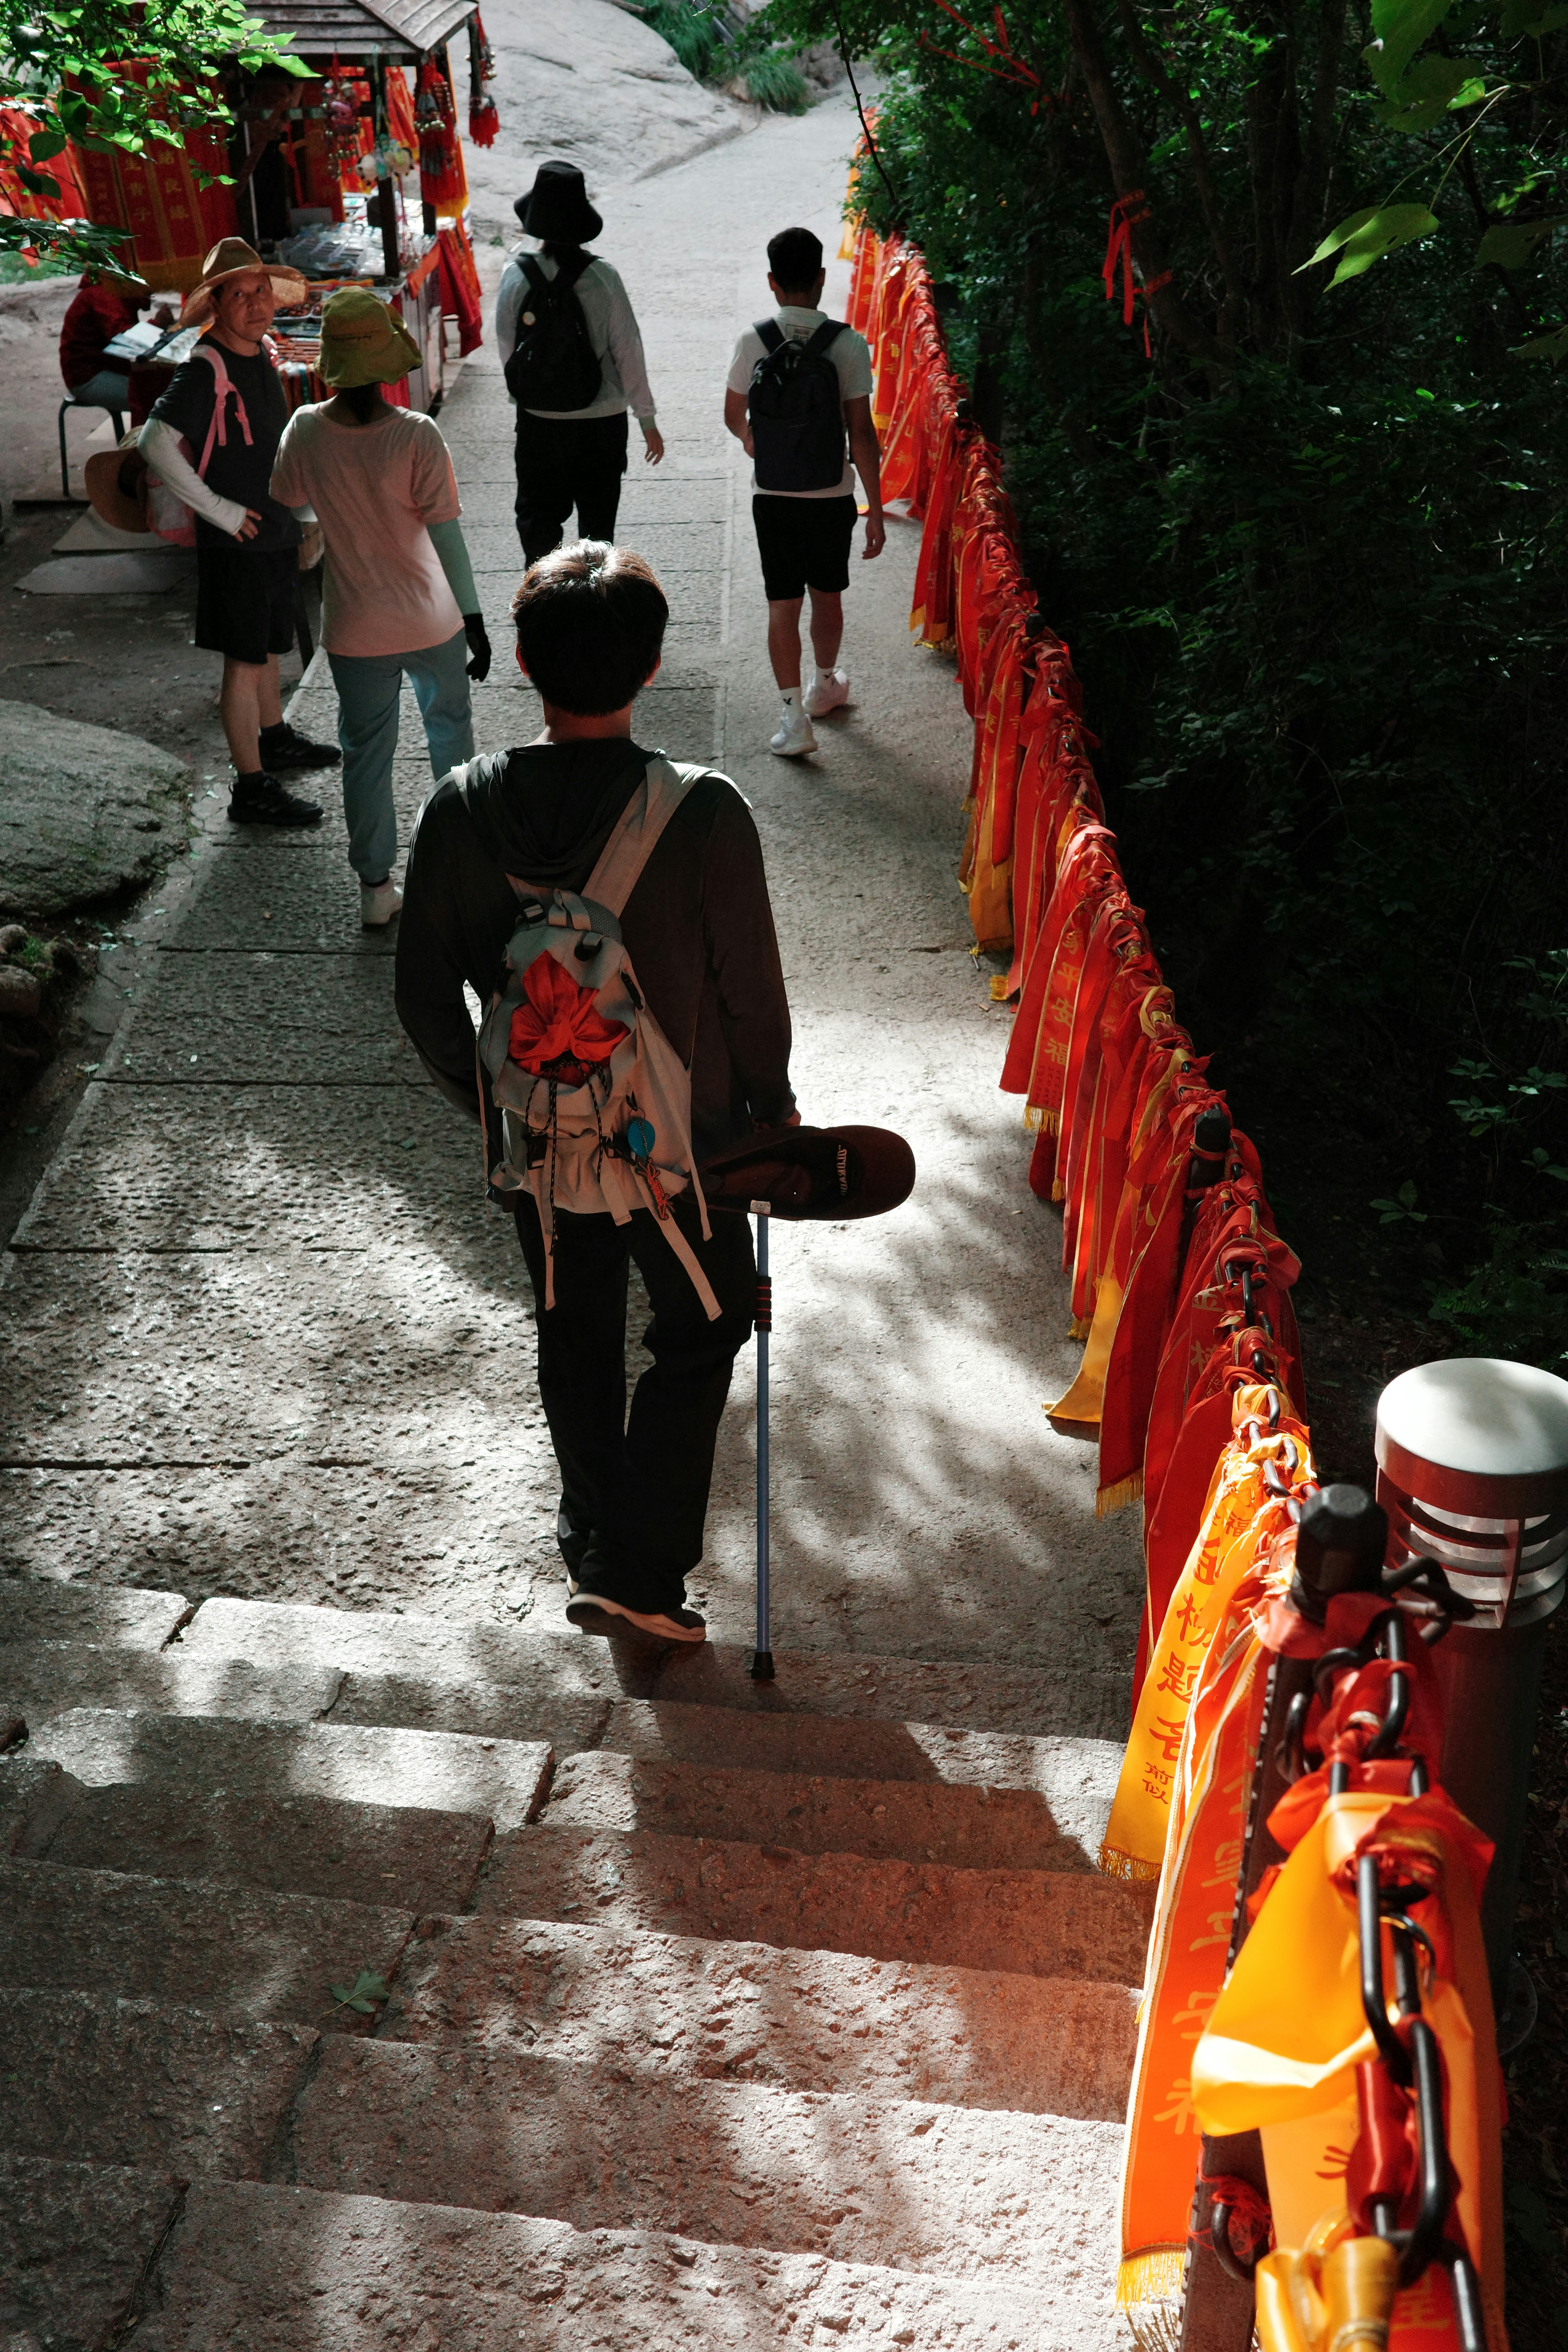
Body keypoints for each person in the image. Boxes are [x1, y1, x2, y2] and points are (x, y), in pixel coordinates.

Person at [395, 542, 797, 1644]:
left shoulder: (459, 810)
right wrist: (775, 1113)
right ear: (653, 667)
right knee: (704, 1329)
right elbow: (751, 995)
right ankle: (642, 1569)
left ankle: (597, 1548)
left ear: (520, 659)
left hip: (540, 1142)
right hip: (694, 1145)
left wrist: (496, 1111)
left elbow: (424, 998)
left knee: (572, 1336)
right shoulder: (704, 813)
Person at [269, 289, 490, 927]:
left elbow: (294, 503)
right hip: (433, 619)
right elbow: (447, 536)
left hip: (355, 629)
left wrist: (345, 510)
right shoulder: (417, 436)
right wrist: (475, 622)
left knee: (367, 754)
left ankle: (375, 888)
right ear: (389, 364)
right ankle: (457, 867)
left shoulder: (305, 430)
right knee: (450, 735)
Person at [138, 238, 340, 827]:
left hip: (269, 528)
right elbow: (155, 442)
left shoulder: (258, 352)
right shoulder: (206, 367)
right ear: (218, 305)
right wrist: (220, 511)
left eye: (260, 292)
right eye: (239, 295)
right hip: (236, 540)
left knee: (270, 646)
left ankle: (274, 739)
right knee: (244, 661)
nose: (254, 304)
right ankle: (250, 788)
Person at [724, 224, 886, 759]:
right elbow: (861, 433)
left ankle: (794, 720)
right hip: (831, 493)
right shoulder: (847, 344)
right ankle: (825, 685)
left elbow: (732, 414)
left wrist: (760, 445)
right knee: (828, 595)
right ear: (821, 278)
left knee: (781, 605)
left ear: (772, 282)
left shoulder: (754, 341)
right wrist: (876, 509)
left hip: (772, 497)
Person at [495, 160, 664, 566]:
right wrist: (647, 420)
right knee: (598, 533)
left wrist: (532, 392)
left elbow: (507, 347)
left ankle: (543, 609)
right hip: (600, 424)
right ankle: (596, 613)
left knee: (539, 526)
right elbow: (629, 351)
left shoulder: (515, 277)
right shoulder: (603, 277)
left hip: (539, 424)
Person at [58, 264, 163, 426]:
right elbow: (125, 340)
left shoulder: (113, 290)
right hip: (88, 378)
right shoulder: (102, 294)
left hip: (106, 370)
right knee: (156, 400)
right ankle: (141, 450)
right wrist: (157, 324)